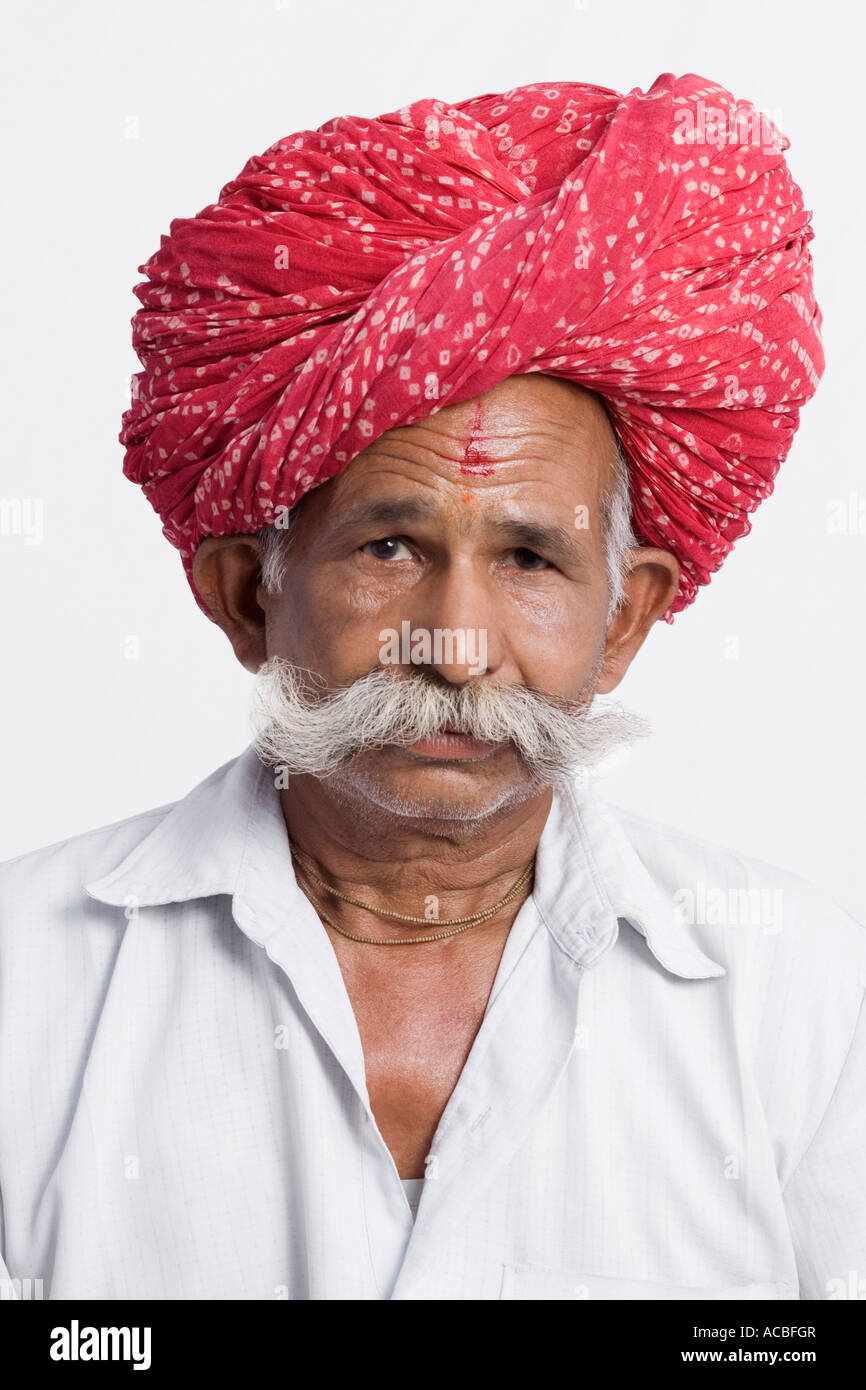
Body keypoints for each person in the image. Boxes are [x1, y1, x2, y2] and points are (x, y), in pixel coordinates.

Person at [2, 74, 863, 1303]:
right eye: (389, 549)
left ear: (623, 619)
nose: (455, 648)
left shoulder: (807, 1005)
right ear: (248, 596)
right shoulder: (26, 985)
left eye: (527, 558)